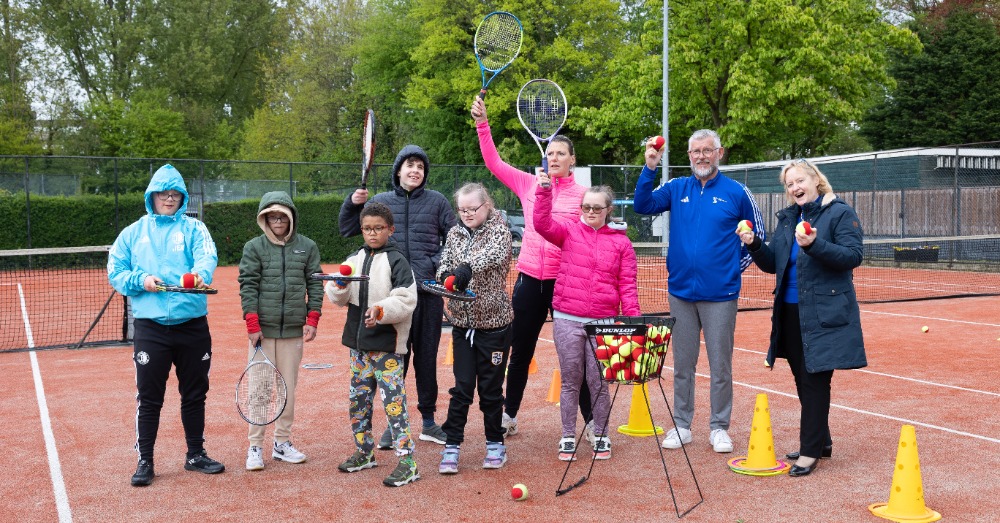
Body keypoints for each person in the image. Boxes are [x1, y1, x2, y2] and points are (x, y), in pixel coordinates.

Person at [471, 97, 596, 441]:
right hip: (528, 282)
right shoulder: (528, 184)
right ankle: (509, 415)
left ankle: (591, 422)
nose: (554, 157)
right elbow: (493, 162)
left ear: (572, 160)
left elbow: (593, 238)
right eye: (551, 153)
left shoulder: (584, 195)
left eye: (561, 153)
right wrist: (483, 123)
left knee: (576, 356)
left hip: (566, 285)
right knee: (520, 351)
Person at [633, 130, 764, 453]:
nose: (702, 157)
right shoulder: (677, 188)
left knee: (721, 365)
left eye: (708, 151)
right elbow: (642, 204)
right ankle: (681, 424)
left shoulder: (737, 192)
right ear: (689, 156)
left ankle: (719, 426)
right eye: (696, 152)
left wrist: (731, 269)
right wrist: (650, 166)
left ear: (719, 153)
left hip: (721, 296)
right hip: (680, 293)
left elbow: (756, 234)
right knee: (683, 364)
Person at [738, 159, 866, 476]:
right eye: (789, 184)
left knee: (814, 380)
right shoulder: (788, 220)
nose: (795, 187)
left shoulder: (839, 213)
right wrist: (754, 244)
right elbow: (774, 264)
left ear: (815, 180)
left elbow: (853, 256)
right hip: (790, 311)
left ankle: (810, 452)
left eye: (800, 180)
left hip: (825, 312)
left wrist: (815, 244)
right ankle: (821, 442)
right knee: (802, 378)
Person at [107, 164, 224, 487]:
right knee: (150, 397)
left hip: (193, 325)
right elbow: (115, 271)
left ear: (182, 197)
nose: (169, 198)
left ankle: (195, 454)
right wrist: (141, 280)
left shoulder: (194, 229)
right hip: (150, 328)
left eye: (175, 193)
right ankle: (145, 460)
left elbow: (206, 257)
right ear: (152, 196)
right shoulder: (132, 233)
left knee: (195, 393)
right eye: (163, 193)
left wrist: (201, 274)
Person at [339, 145, 456, 447]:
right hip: (393, 301)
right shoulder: (379, 202)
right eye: (410, 165)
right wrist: (352, 204)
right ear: (398, 170)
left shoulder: (437, 201)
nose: (415, 170)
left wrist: (435, 263)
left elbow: (455, 238)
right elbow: (348, 228)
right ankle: (395, 423)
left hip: (428, 295)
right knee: (395, 363)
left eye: (420, 166)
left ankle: (428, 423)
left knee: (426, 360)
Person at [534, 179, 640, 460]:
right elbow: (542, 224)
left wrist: (634, 323)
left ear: (608, 209)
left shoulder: (622, 243)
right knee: (570, 381)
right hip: (567, 318)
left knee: (599, 383)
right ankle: (568, 436)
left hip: (602, 323)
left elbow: (627, 286)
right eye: (586, 207)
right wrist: (544, 192)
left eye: (596, 207)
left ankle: (601, 434)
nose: (590, 212)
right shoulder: (568, 231)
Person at [327, 202, 421, 487]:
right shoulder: (354, 259)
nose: (372, 233)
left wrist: (380, 311)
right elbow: (337, 296)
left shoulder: (397, 261)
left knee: (394, 405)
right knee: (358, 403)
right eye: (367, 228)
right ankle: (364, 452)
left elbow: (406, 299)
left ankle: (407, 462)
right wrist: (339, 287)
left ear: (389, 230)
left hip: (387, 347)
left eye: (378, 228)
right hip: (358, 348)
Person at [238, 191, 324, 471]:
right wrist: (252, 323)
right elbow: (248, 284)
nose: (277, 220)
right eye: (271, 216)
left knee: (287, 390)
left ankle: (281, 443)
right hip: (262, 332)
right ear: (264, 218)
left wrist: (312, 318)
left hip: (293, 332)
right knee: (259, 389)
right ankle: (255, 446)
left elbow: (315, 283)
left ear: (291, 217)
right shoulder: (254, 247)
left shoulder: (308, 246)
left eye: (282, 215)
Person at [435, 183, 514, 474]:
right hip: (461, 324)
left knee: (491, 390)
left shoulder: (500, 230)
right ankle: (452, 444)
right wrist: (445, 274)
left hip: (494, 325)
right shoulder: (454, 233)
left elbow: (493, 255)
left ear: (487, 206)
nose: (467, 214)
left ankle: (495, 443)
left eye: (472, 208)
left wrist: (465, 267)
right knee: (463, 387)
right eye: (462, 209)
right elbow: (444, 261)